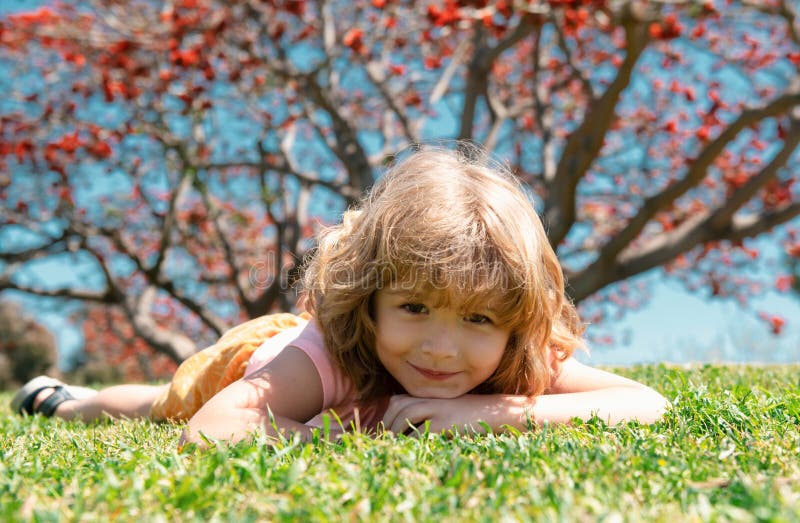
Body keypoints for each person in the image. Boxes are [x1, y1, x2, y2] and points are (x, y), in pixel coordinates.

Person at [11, 146, 669, 445]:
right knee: (165, 405)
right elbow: (216, 424)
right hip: (251, 361)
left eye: (476, 318)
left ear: (514, 323)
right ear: (370, 302)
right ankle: (69, 403)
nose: (442, 347)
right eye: (413, 308)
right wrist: (341, 437)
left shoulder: (513, 355)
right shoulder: (324, 355)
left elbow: (646, 404)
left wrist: (496, 413)